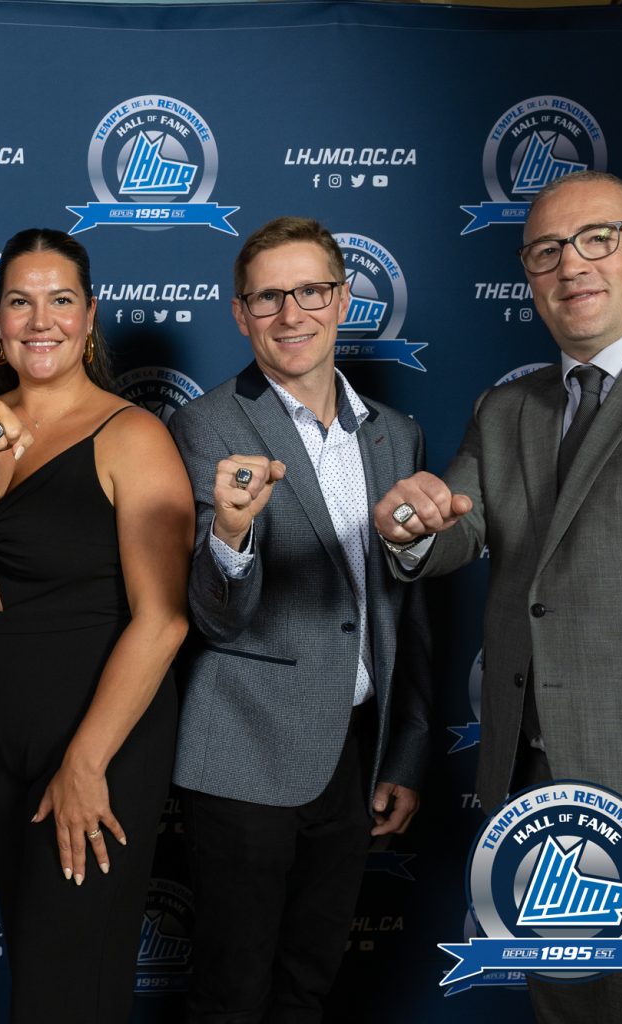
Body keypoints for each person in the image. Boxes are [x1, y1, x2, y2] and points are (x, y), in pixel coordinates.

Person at [375, 170, 622, 1021]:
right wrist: (408, 525)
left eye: (596, 239)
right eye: (546, 251)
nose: (572, 264)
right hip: (539, 808)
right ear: (529, 277)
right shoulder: (507, 409)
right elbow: (454, 524)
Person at [0, 227, 191, 1021]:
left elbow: (162, 621)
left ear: (90, 317)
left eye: (60, 300)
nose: (40, 319)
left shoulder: (133, 436)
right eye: (20, 302)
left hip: (96, 730)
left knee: (68, 985)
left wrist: (86, 761)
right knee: (38, 967)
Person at [167, 216, 431, 1023]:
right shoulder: (205, 426)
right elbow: (213, 620)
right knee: (233, 993)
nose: (293, 313)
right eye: (269, 297)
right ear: (241, 314)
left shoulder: (396, 433)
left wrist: (407, 751)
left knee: (309, 986)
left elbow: (404, 611)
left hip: (351, 756)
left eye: (312, 291)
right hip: (243, 750)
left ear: (345, 299)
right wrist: (232, 534)